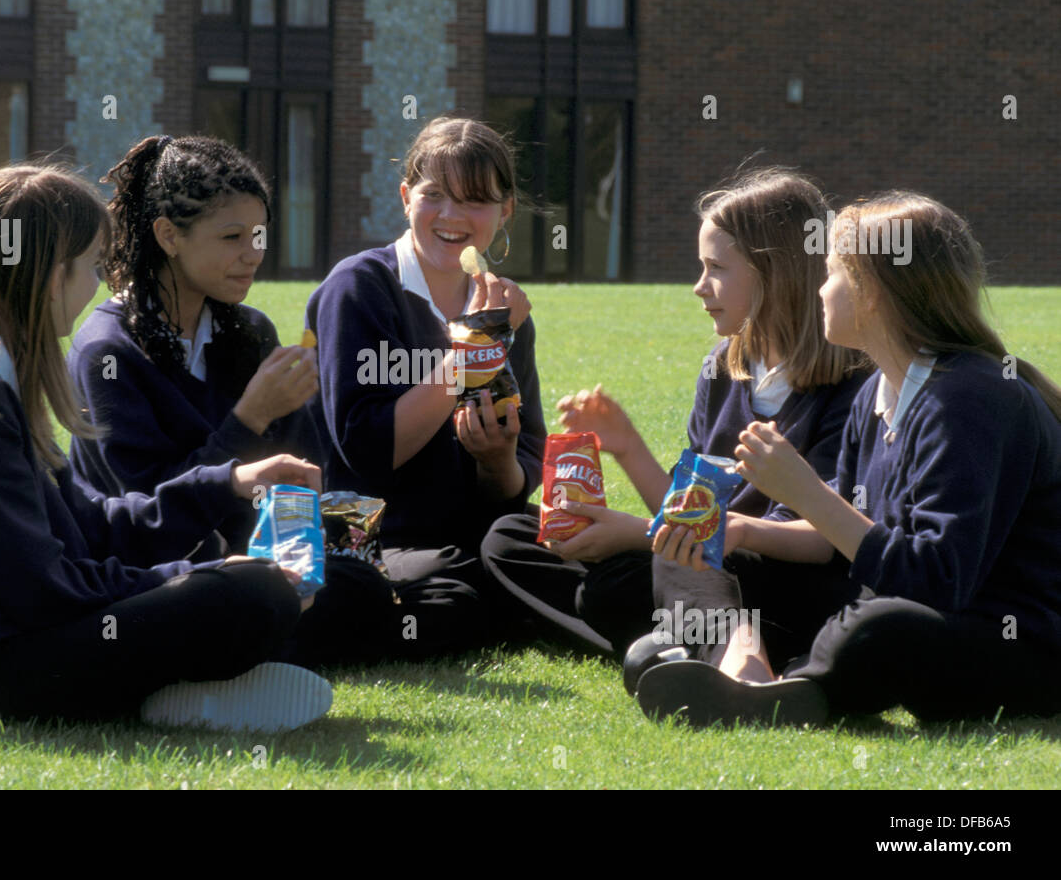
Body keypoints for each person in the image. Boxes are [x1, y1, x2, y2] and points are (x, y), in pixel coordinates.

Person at [0, 163, 330, 731]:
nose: (95, 286)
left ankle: (168, 693)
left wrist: (225, 482)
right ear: (51, 273)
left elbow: (88, 525)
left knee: (252, 587)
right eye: (89, 266)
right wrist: (198, 575)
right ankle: (164, 698)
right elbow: (45, 589)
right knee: (252, 594)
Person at [637, 191, 1061, 725]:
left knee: (878, 627)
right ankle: (740, 665)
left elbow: (938, 580)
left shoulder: (970, 399)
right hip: (892, 602)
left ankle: (782, 687)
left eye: (832, 274)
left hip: (1007, 639)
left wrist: (805, 492)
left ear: (872, 292)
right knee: (701, 555)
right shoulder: (876, 393)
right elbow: (840, 545)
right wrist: (740, 531)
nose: (819, 289)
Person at [480, 168, 870, 672]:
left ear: (775, 273)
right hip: (698, 566)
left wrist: (639, 533)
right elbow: (690, 507)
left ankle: (714, 651)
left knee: (634, 580)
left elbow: (823, 543)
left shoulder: (850, 385)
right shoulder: (722, 366)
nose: (698, 286)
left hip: (777, 580)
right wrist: (626, 447)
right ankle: (684, 643)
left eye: (716, 268)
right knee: (510, 536)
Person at [68, 135, 396, 667]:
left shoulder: (251, 332)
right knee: (236, 606)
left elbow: (300, 477)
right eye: (232, 237)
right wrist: (251, 416)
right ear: (169, 236)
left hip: (260, 560)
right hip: (159, 571)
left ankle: (257, 643)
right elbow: (151, 510)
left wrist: (319, 547)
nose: (253, 254)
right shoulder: (108, 351)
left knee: (363, 592)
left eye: (259, 235)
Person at [304, 115, 546, 659]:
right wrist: (475, 349)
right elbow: (368, 452)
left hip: (473, 532)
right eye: (434, 195)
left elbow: (523, 465)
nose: (452, 216)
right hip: (371, 530)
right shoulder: (360, 288)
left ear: (505, 209)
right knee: (455, 596)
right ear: (406, 196)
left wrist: (496, 461)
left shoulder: (505, 309)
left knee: (549, 551)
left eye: (476, 199)